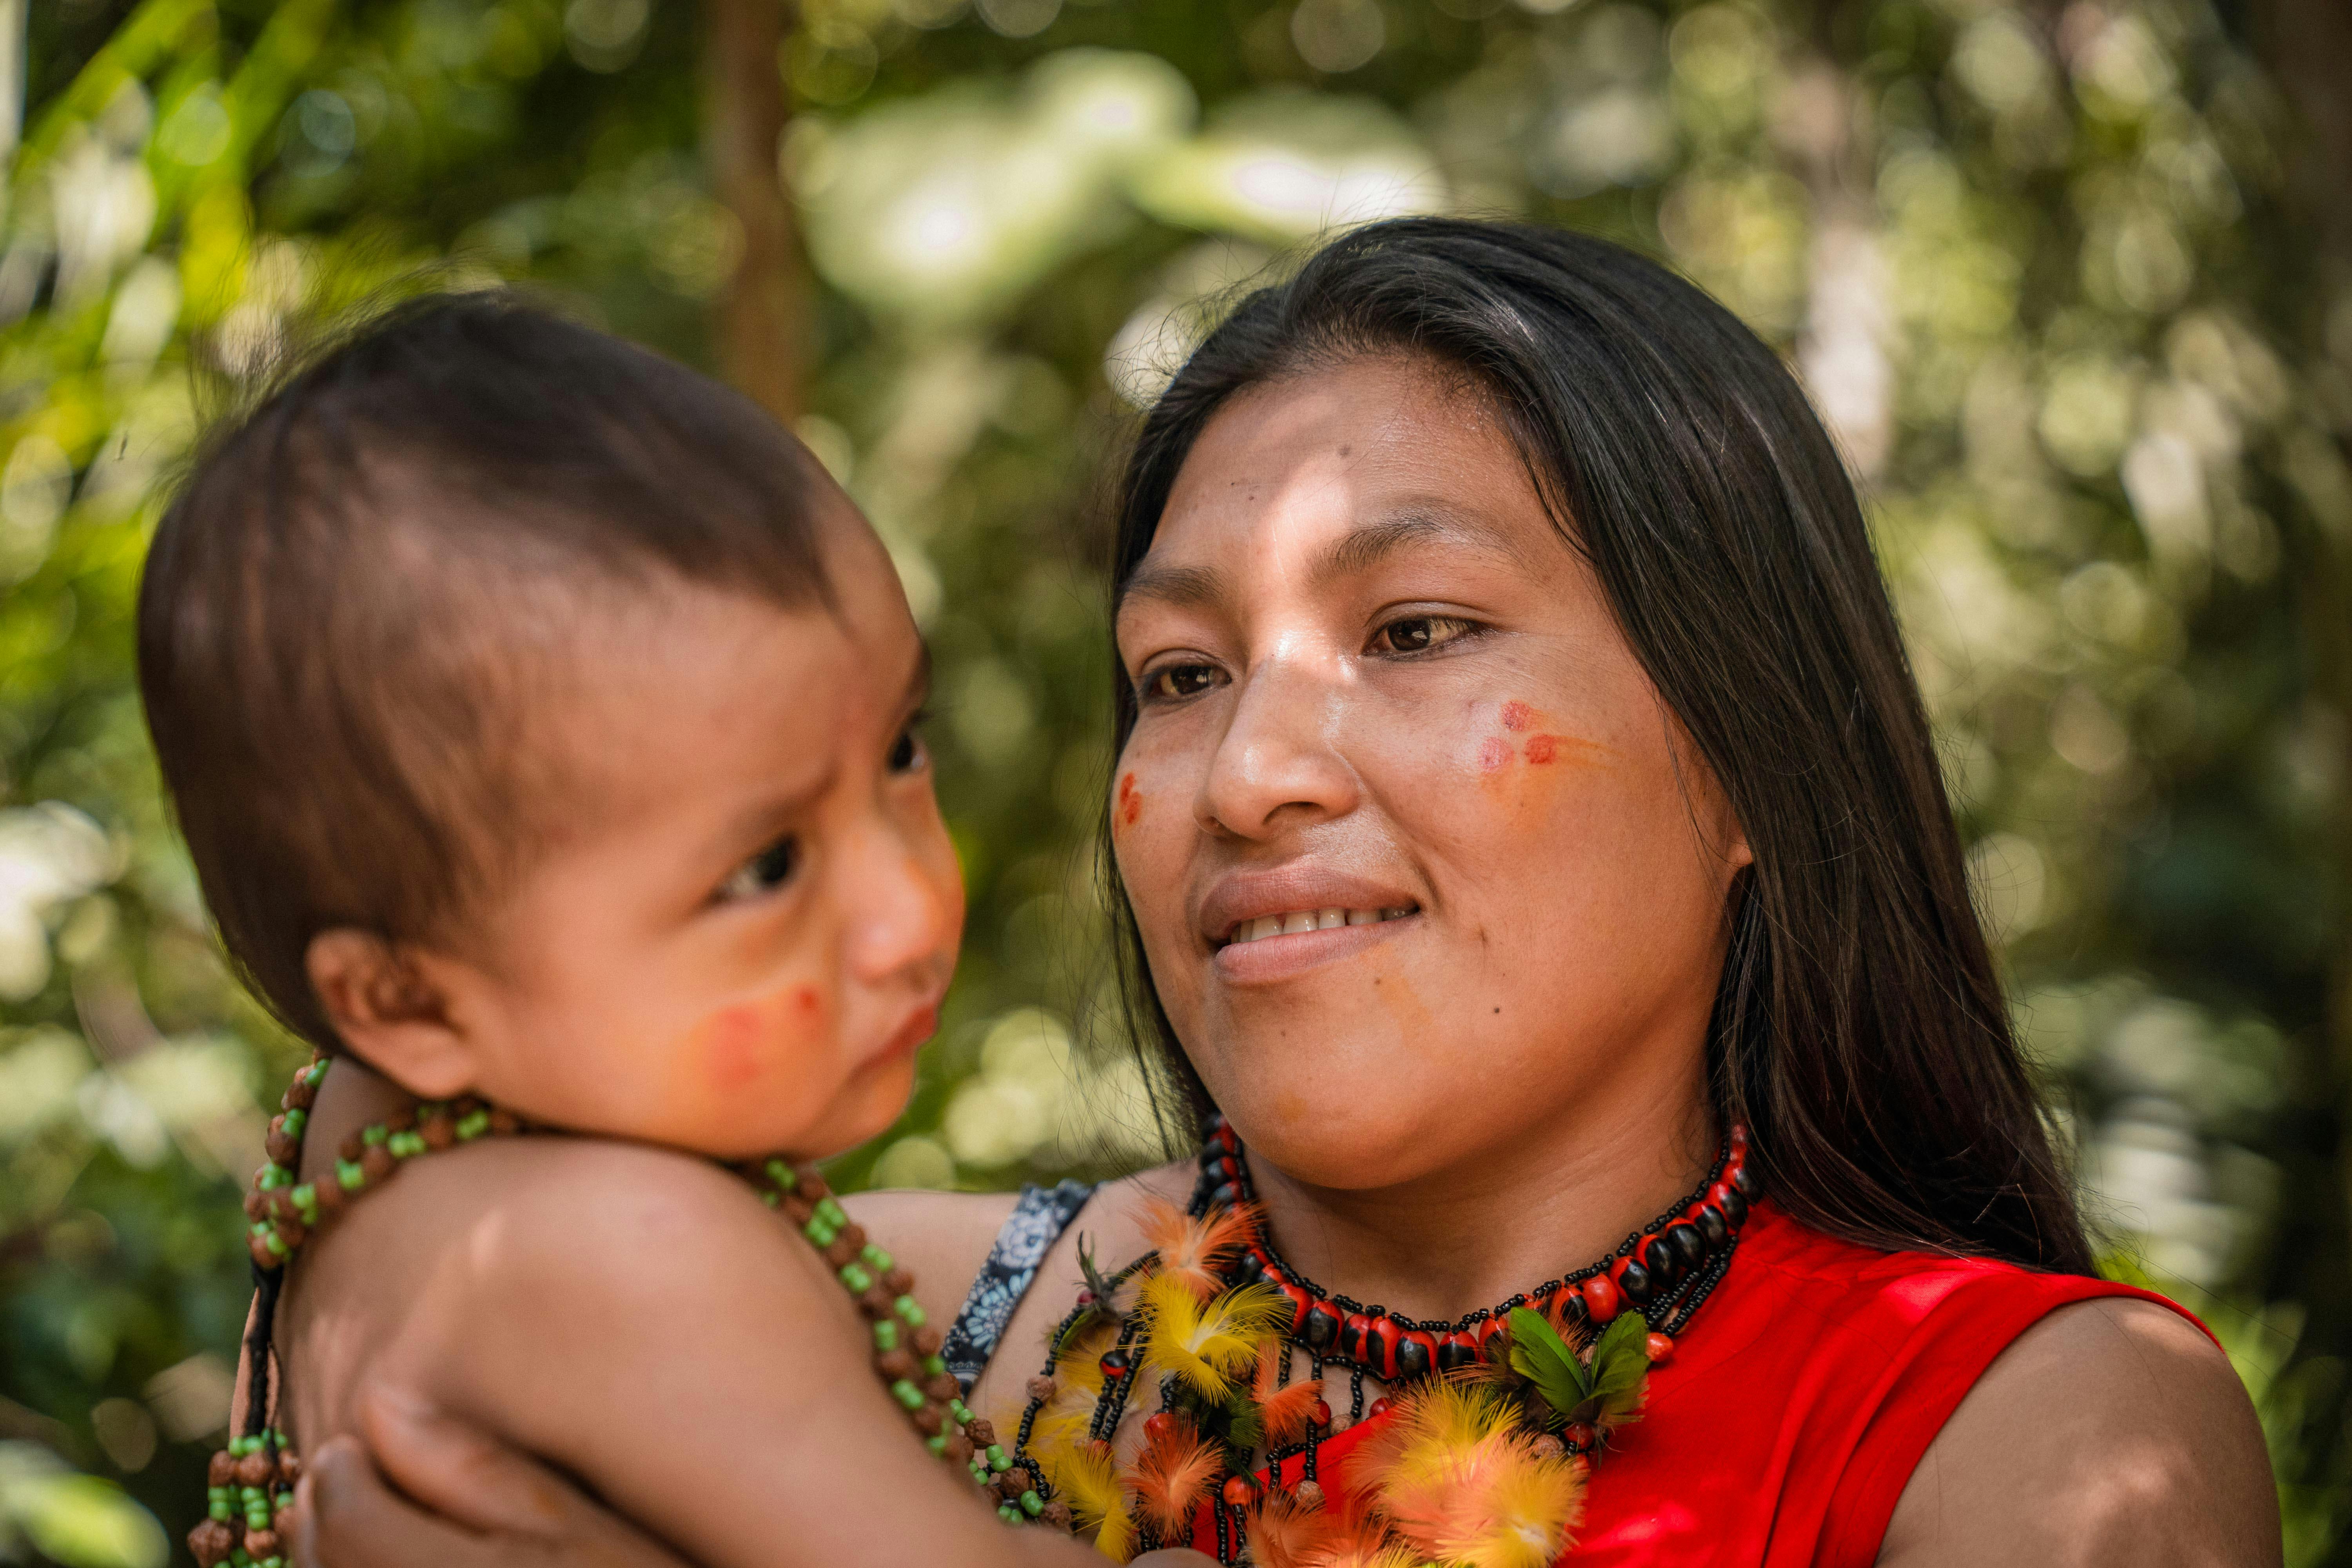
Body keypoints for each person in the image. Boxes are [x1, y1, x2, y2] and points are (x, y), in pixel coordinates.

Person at [294, 220, 2279, 1567]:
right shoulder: (898, 1334)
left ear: (1754, 748)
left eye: (1416, 628)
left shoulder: (2031, 1422)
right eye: (1179, 675)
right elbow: (376, 1169)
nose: (1248, 774)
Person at [138, 295, 1210, 1568]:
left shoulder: (359, 1136)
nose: (913, 909)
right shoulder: (644, 1254)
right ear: (409, 1004)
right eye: (764, 868)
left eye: (900, 752)